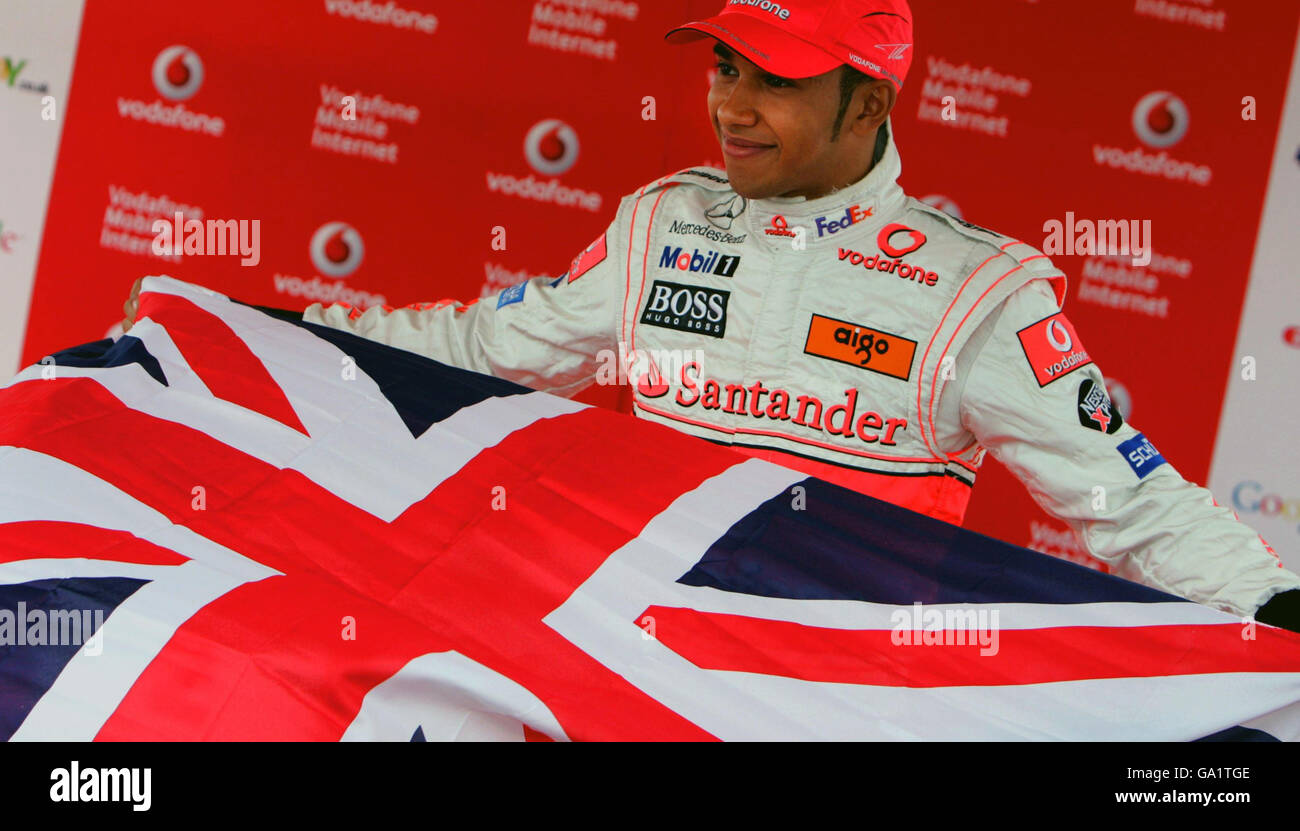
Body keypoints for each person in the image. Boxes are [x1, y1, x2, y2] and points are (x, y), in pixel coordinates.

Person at [121, 0, 1300, 631]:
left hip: (821, 688)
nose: (732, 105)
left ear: (869, 98)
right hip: (626, 655)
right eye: (723, 66)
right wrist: (267, 328)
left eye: (776, 78)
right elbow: (489, 352)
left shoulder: (980, 292)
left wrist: (1276, 609)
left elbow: (1129, 500)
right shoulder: (658, 223)